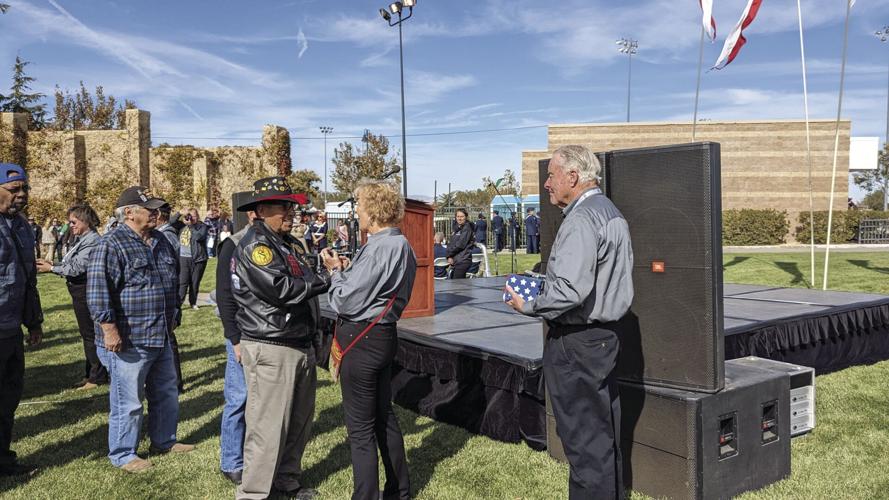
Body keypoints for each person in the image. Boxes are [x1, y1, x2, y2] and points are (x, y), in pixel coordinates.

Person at [505, 145, 633, 500]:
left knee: (585, 447)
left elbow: (571, 290)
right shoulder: (609, 212)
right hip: (603, 340)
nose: (547, 184)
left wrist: (528, 303)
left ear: (572, 177)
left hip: (577, 345)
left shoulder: (580, 218)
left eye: (551, 175)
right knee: (603, 441)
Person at [87, 186, 193, 473]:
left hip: (160, 334)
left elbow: (170, 281)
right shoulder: (111, 244)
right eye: (150, 208)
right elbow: (98, 291)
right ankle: (123, 454)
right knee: (129, 401)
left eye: (157, 208)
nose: (157, 213)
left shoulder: (160, 240)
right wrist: (109, 329)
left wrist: (173, 315)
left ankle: (164, 441)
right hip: (129, 339)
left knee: (166, 392)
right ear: (130, 213)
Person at [232, 177, 325, 500]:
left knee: (298, 423)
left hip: (297, 341)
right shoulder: (256, 245)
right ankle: (254, 493)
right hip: (272, 344)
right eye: (283, 205)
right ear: (261, 210)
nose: (291, 211)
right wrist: (324, 280)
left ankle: (286, 481)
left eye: (292, 205)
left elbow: (305, 278)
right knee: (267, 427)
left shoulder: (287, 243)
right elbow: (282, 289)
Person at [323, 178, 416, 500]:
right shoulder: (400, 244)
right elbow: (378, 290)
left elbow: (345, 301)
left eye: (360, 206)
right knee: (384, 417)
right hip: (384, 335)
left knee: (360, 430)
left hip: (361, 341)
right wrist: (349, 270)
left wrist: (335, 272)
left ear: (374, 211)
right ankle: (398, 490)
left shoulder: (378, 246)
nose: (357, 212)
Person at [36, 203, 109, 389]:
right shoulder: (83, 239)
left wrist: (51, 268)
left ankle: (97, 376)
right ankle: (91, 373)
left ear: (85, 221)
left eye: (73, 222)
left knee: (91, 335)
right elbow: (71, 262)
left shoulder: (92, 241)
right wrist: (53, 263)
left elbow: (76, 268)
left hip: (85, 291)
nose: (71, 226)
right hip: (79, 291)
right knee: (87, 334)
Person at [0, 163, 43, 477]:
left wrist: (34, 321)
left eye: (25, 189)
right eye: (14, 190)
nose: (22, 196)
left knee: (9, 398)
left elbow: (28, 280)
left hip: (12, 328)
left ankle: (3, 459)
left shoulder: (23, 226)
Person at [215, 208, 257, 486]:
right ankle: (231, 460)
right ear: (253, 213)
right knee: (238, 397)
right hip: (242, 333)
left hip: (263, 331)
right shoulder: (233, 244)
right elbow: (224, 295)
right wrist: (234, 338)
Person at [156, 205, 184, 392]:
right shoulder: (165, 234)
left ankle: (175, 382)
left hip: (169, 295)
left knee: (168, 339)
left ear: (158, 215)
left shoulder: (167, 236)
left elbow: (172, 269)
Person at [173, 207, 209, 310]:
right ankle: (178, 304)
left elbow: (198, 237)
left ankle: (193, 303)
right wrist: (179, 213)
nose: (191, 218)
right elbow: (171, 222)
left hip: (198, 259)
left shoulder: (203, 226)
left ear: (197, 216)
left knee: (195, 282)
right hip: (183, 258)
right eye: (190, 216)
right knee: (183, 282)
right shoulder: (181, 226)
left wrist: (191, 226)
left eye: (194, 216)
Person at [447, 208, 475, 279]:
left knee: (458, 285)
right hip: (456, 260)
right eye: (458, 216)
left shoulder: (467, 228)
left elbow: (460, 245)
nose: (459, 218)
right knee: (455, 285)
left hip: (463, 260)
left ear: (466, 217)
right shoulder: (456, 228)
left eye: (462, 216)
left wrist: (449, 254)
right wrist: (450, 257)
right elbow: (451, 243)